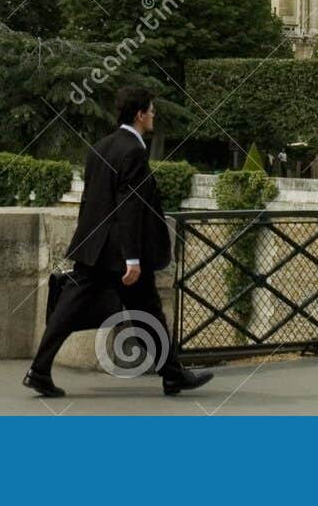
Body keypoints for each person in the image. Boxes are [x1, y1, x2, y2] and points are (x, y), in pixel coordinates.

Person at [23, 87, 213, 398]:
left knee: (69, 310)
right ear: (139, 114)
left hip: (94, 247)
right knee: (148, 310)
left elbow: (92, 201)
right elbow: (130, 207)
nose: (153, 116)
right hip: (119, 255)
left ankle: (39, 370)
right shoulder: (134, 152)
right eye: (151, 111)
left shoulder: (100, 147)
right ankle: (173, 375)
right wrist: (133, 258)